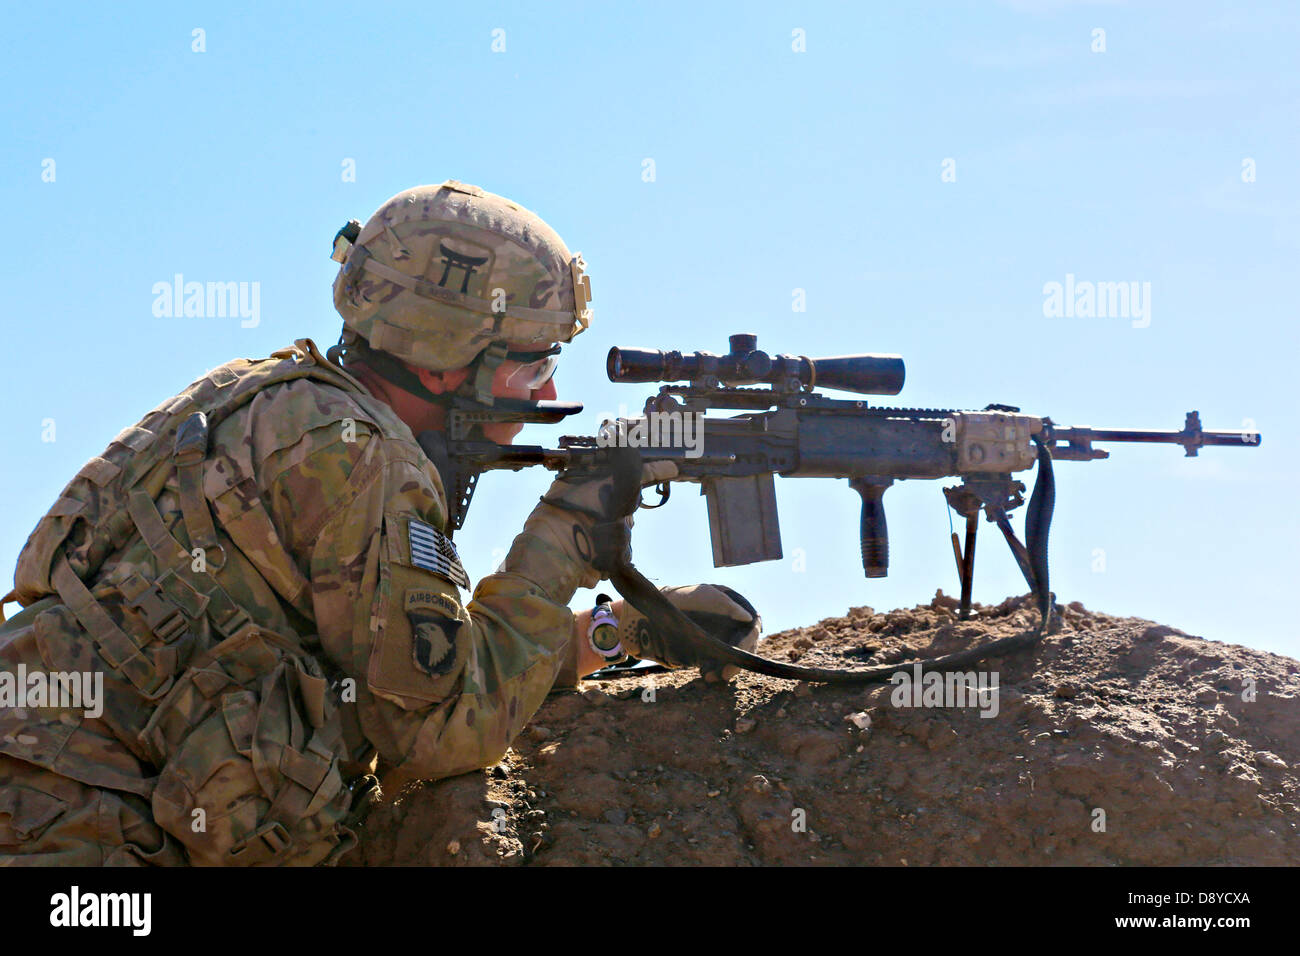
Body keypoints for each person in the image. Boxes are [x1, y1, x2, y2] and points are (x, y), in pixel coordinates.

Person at [0, 180, 759, 866]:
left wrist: (608, 634)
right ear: (441, 362)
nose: (548, 390)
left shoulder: (258, 396)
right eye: (531, 366)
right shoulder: (365, 460)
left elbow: (397, 665)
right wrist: (561, 539)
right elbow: (435, 731)